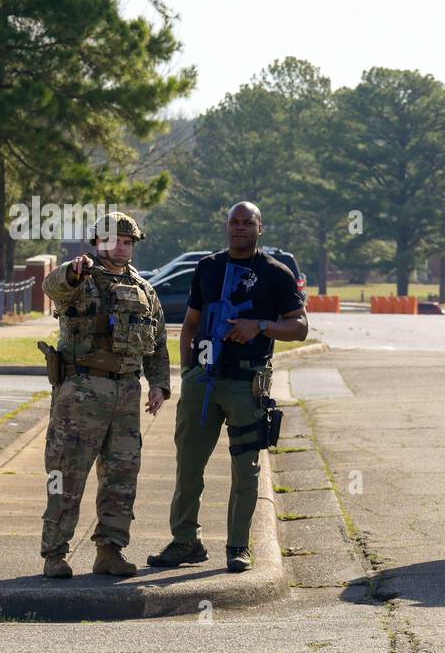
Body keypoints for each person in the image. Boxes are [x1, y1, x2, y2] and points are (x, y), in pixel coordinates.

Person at [148, 202, 308, 572]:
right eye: (234, 222)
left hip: (246, 384)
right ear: (227, 226)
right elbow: (191, 322)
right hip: (202, 383)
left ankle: (238, 547)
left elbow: (299, 327)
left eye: (247, 222)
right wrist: (187, 370)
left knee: (245, 470)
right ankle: (185, 542)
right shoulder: (208, 267)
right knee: (188, 466)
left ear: (259, 228)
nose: (239, 228)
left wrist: (260, 326)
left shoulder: (277, 274)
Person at [40, 212, 170, 578]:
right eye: (114, 239)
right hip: (82, 391)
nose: (121, 246)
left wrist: (158, 384)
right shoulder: (81, 277)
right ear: (97, 242)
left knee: (122, 475)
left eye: (128, 241)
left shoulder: (144, 289)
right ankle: (55, 554)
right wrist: (72, 272)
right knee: (68, 472)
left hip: (126, 393)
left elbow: (158, 342)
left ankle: (110, 550)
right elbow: (53, 287)